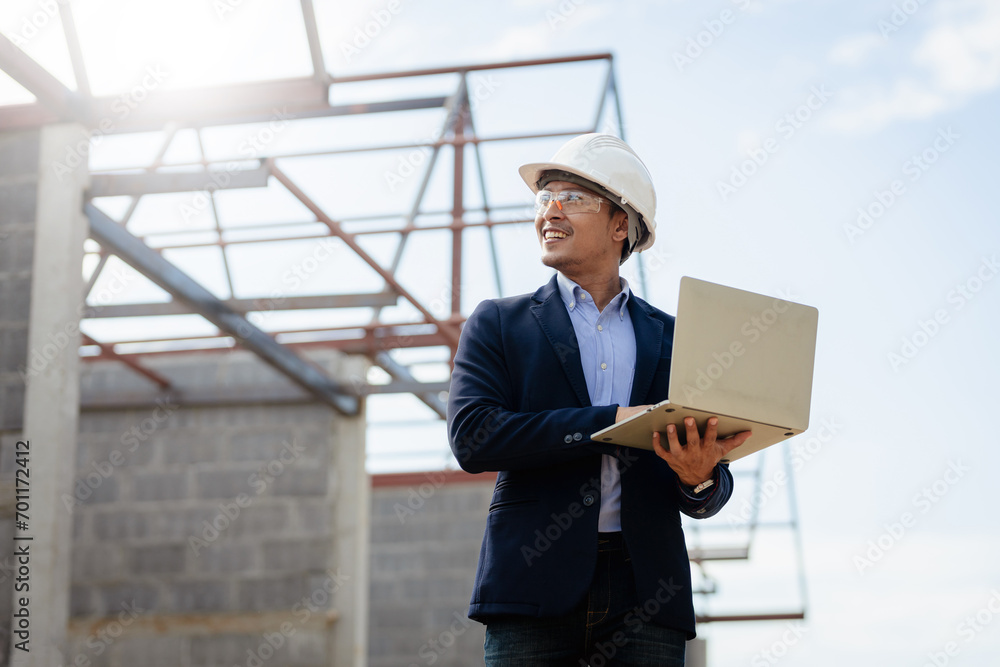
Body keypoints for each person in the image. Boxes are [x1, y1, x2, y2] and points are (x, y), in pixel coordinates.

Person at [447, 133, 752, 666]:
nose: (551, 211)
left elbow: (711, 488)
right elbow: (474, 437)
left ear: (620, 225)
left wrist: (698, 476)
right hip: (532, 587)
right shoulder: (497, 322)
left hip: (646, 596)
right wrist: (612, 422)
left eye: (573, 198)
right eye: (545, 198)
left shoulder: (678, 339)